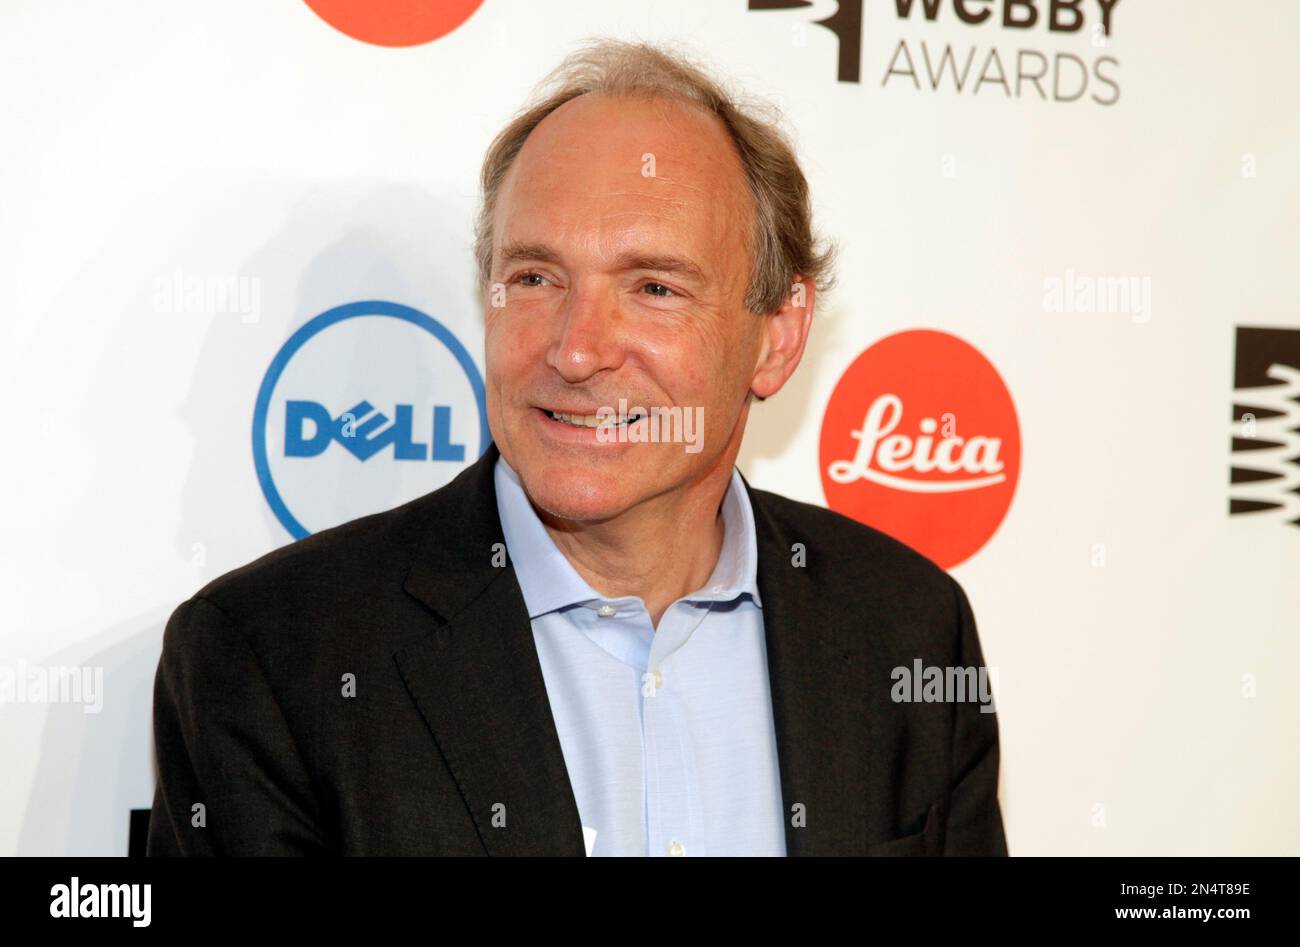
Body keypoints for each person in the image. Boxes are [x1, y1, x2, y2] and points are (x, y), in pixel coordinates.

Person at [147, 37, 1008, 857]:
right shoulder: (274, 659)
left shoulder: (910, 632)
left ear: (777, 337)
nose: (575, 348)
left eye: (654, 286)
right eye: (534, 278)